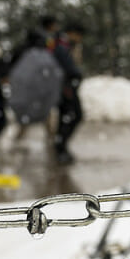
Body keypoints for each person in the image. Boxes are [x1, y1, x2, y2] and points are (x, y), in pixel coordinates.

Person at [52, 22, 85, 165]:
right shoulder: (62, 46)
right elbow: (69, 68)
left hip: (65, 87)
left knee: (66, 117)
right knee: (74, 115)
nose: (80, 39)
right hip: (65, 88)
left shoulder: (62, 44)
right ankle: (60, 147)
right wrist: (77, 75)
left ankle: (61, 146)